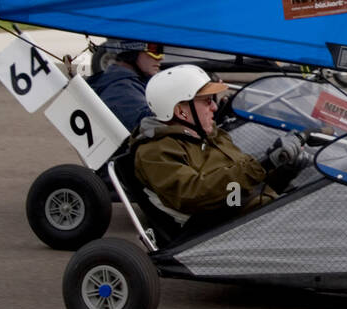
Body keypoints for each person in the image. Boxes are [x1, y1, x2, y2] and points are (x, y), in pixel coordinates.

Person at [129, 64, 306, 221]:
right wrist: (263, 166)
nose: (214, 107)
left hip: (265, 213)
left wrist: (283, 169)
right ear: (180, 111)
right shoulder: (155, 150)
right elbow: (193, 194)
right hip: (233, 229)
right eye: (207, 101)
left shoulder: (211, 135)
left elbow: (240, 188)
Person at [87, 39, 163, 134]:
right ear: (132, 52)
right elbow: (151, 128)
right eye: (155, 51)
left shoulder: (134, 82)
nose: (160, 58)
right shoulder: (120, 91)